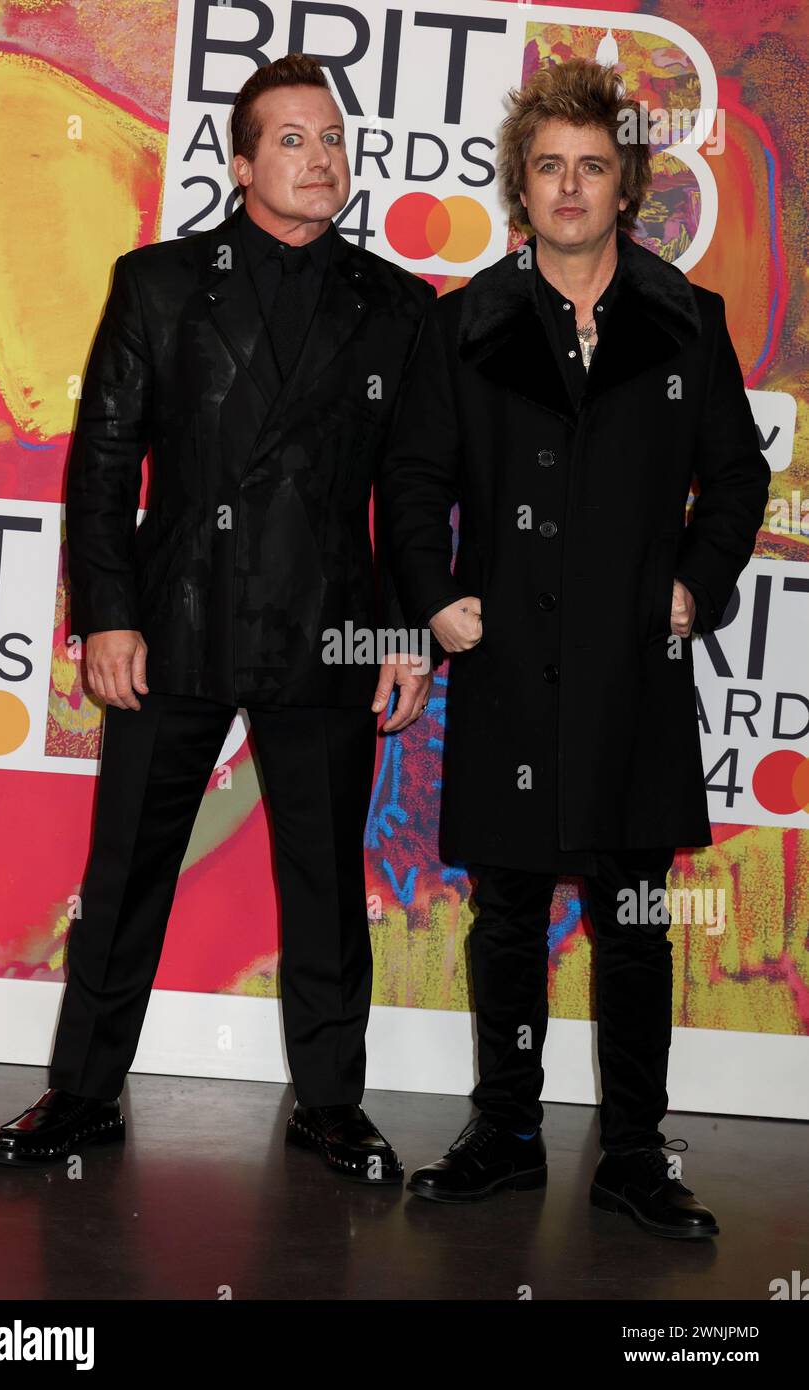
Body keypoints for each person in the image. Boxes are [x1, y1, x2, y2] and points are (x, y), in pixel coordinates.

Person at [0, 53, 434, 1180]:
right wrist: (108, 615)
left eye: (331, 137)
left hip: (329, 625)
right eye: (292, 139)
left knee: (326, 886)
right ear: (239, 164)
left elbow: (413, 492)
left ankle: (330, 1105)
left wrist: (400, 632)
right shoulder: (161, 282)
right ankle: (81, 1092)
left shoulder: (395, 306)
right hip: (175, 618)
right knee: (127, 866)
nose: (320, 156)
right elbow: (104, 463)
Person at [380, 57, 769, 1236]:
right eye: (547, 166)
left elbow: (739, 473)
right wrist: (437, 597)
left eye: (589, 167)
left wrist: (694, 587)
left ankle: (636, 1154)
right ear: (520, 185)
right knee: (503, 913)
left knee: (632, 917)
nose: (567, 186)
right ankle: (501, 1130)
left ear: (623, 186)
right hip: (505, 672)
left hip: (631, 682)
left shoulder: (684, 320)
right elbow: (409, 478)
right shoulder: (465, 324)